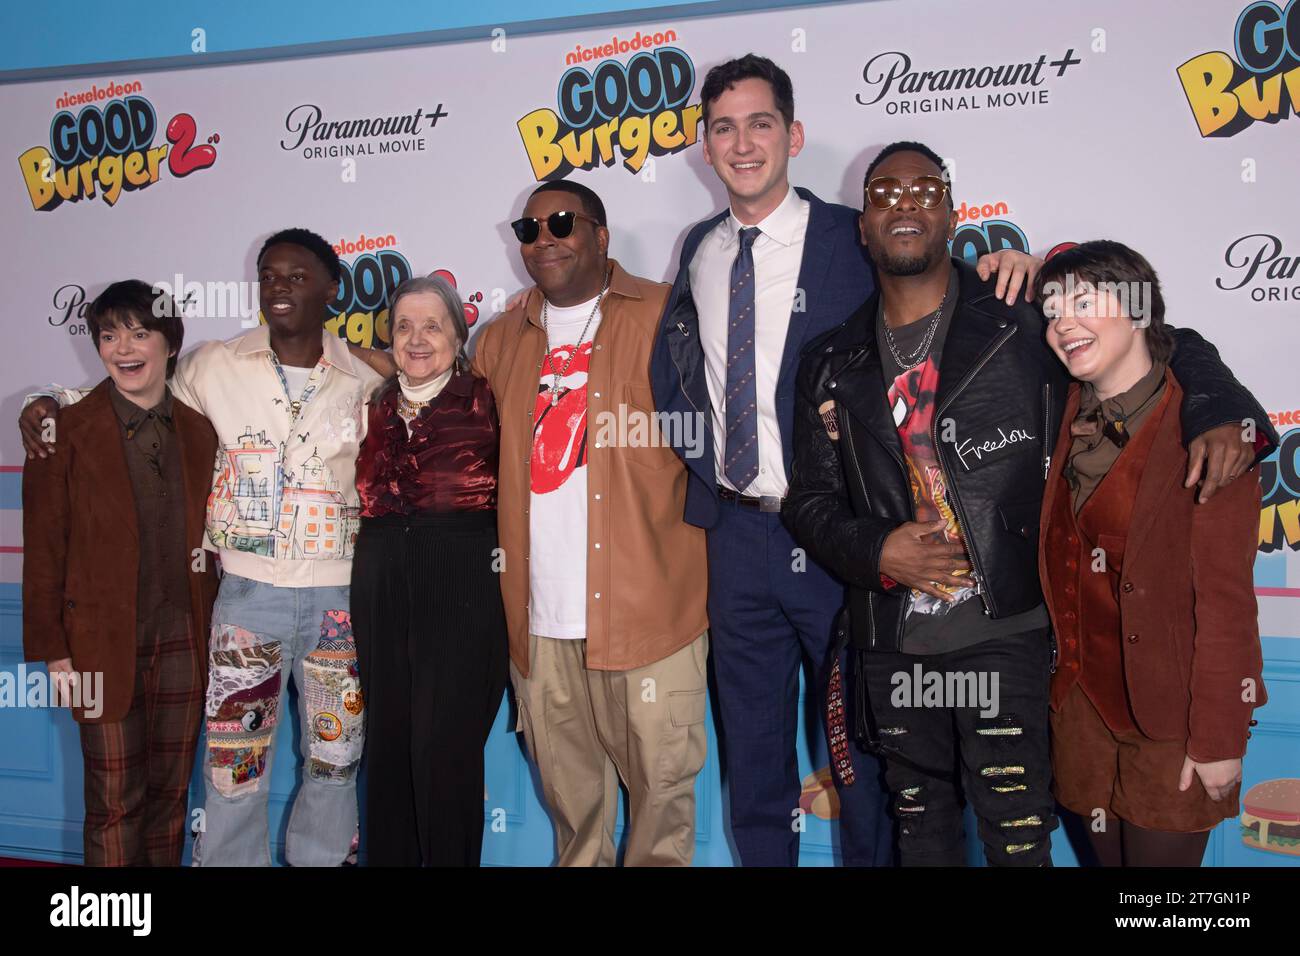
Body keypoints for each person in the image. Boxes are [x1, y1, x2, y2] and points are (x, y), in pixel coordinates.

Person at [781, 141, 1275, 866]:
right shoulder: (830, 359)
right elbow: (809, 503)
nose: (905, 202)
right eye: (884, 192)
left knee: (1017, 837)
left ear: (953, 213)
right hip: (893, 640)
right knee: (920, 834)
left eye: (925, 189)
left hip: (1008, 629)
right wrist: (876, 549)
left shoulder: (1018, 317)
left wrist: (1224, 407)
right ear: (862, 226)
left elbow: (1157, 338)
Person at [650, 54, 1037, 867]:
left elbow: (931, 284)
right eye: (724, 127)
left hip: (845, 542)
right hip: (734, 530)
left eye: (760, 124)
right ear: (704, 145)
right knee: (752, 756)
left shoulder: (851, 233)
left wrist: (1017, 270)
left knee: (865, 756)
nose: (742, 142)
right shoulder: (698, 247)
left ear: (791, 136)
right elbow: (679, 374)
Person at [20, 228, 385, 866]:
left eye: (297, 277)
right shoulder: (214, 364)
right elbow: (132, 393)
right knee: (233, 770)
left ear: (333, 289)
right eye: (269, 275)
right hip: (245, 598)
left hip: (338, 601)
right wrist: (45, 403)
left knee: (336, 758)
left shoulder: (364, 379)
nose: (279, 288)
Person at [472, 180, 709, 866]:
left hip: (650, 615)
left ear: (601, 235)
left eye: (562, 223)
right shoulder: (499, 341)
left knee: (663, 807)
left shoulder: (669, 316)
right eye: (529, 229)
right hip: (539, 623)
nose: (544, 239)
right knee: (576, 821)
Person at [1035, 240, 1266, 866]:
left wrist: (1220, 737)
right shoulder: (1059, 413)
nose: (1064, 322)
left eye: (1085, 300)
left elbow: (1227, 604)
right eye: (1053, 308)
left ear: (1139, 310)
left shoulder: (1211, 431)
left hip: (1174, 725)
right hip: (1082, 717)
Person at [23, 280, 219, 866]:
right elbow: (43, 549)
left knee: (170, 797)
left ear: (169, 344)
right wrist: (55, 652)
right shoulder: (62, 430)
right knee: (112, 803)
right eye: (110, 335)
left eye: (140, 332)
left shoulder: (201, 430)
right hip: (95, 645)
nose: (124, 348)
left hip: (187, 639)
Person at [351, 274, 507, 866]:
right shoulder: (371, 402)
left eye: (433, 325)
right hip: (381, 582)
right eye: (404, 326)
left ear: (460, 335)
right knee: (388, 747)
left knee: (445, 753)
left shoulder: (489, 398)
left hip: (464, 583)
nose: (417, 339)